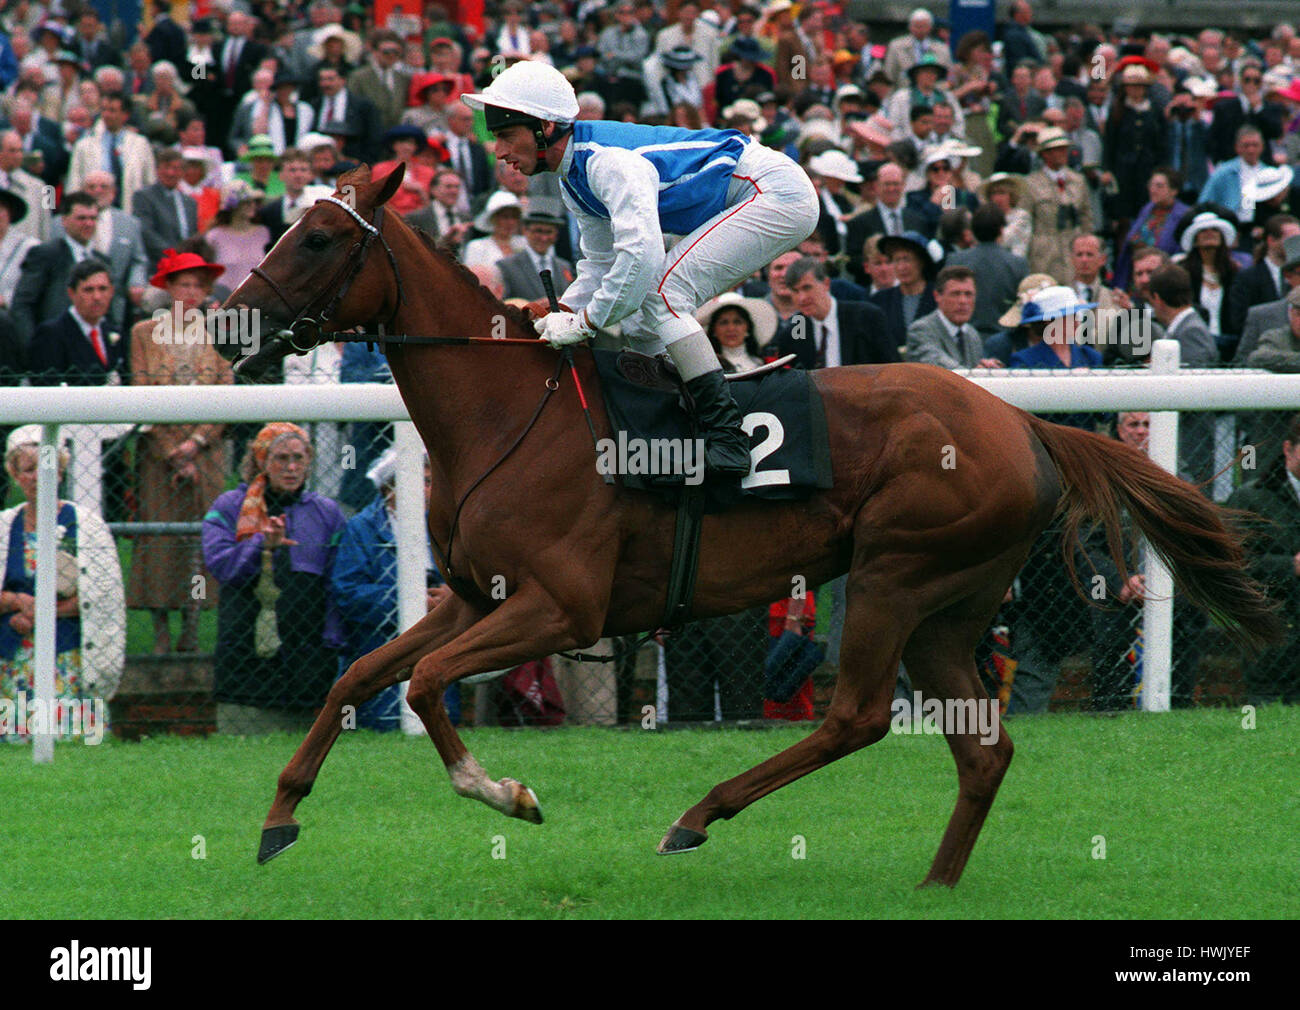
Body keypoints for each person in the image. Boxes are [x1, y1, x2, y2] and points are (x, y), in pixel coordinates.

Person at [461, 59, 818, 479]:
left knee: (660, 296)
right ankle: (670, 422)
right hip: (753, 193)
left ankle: (728, 438)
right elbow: (600, 265)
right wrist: (558, 313)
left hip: (774, 191)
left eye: (505, 135)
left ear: (546, 128)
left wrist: (586, 321)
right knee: (640, 318)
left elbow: (641, 255)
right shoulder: (572, 177)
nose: (500, 153)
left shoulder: (606, 163)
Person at [202, 423, 346, 734]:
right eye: (281, 458)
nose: (291, 467)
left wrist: (331, 644)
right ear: (260, 461)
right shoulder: (228, 506)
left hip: (307, 659)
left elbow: (336, 586)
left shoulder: (327, 513)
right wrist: (259, 545)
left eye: (299, 457)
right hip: (246, 649)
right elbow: (223, 567)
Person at [128, 248, 232, 655]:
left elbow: (228, 396)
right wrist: (172, 450)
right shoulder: (143, 333)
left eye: (198, 286)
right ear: (168, 289)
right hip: (158, 454)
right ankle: (160, 633)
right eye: (183, 284)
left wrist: (196, 444)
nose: (191, 293)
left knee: (202, 540)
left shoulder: (221, 330)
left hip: (207, 453)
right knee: (160, 542)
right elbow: (139, 394)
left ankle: (192, 626)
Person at [1, 426, 125, 741]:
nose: (37, 477)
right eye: (28, 470)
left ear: (60, 472)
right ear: (15, 475)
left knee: (73, 740)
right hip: (14, 653)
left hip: (70, 651)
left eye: (46, 468)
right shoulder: (4, 526)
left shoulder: (86, 526)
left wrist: (46, 612)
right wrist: (17, 602)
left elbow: (102, 592)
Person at [332, 447, 456, 731]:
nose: (430, 490)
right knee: (381, 723)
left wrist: (451, 598)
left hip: (437, 639)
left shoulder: (443, 525)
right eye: (422, 481)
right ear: (391, 487)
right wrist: (409, 601)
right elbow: (347, 592)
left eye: (433, 481)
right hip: (379, 643)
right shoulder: (363, 528)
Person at [1226, 410, 1300, 704]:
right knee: (1268, 716)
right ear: (1287, 449)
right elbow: (1233, 564)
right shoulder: (1249, 500)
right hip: (1274, 636)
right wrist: (1289, 567)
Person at [776, 256, 897, 368]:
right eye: (795, 291)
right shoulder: (796, 329)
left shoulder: (867, 317)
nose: (802, 298)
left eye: (807, 288)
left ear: (826, 284)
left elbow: (894, 369)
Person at [946, 204, 1029, 339]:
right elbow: (1024, 308)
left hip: (962, 339)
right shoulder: (1018, 264)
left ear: (972, 230)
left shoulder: (955, 260)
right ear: (1001, 230)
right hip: (1005, 341)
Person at [905, 265, 1004, 369]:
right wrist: (975, 372)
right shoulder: (920, 330)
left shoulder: (972, 334)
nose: (963, 301)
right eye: (955, 294)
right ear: (937, 296)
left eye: (968, 294)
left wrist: (984, 368)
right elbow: (938, 367)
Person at [205, 180, 271, 291]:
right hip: (225, 299)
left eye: (254, 202)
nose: (252, 205)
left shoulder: (263, 233)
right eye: (246, 202)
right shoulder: (214, 236)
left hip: (256, 298)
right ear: (234, 205)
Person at [695, 290, 778, 373]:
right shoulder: (706, 369)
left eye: (737, 322)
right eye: (724, 323)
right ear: (714, 330)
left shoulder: (767, 365)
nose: (731, 328)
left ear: (748, 328)